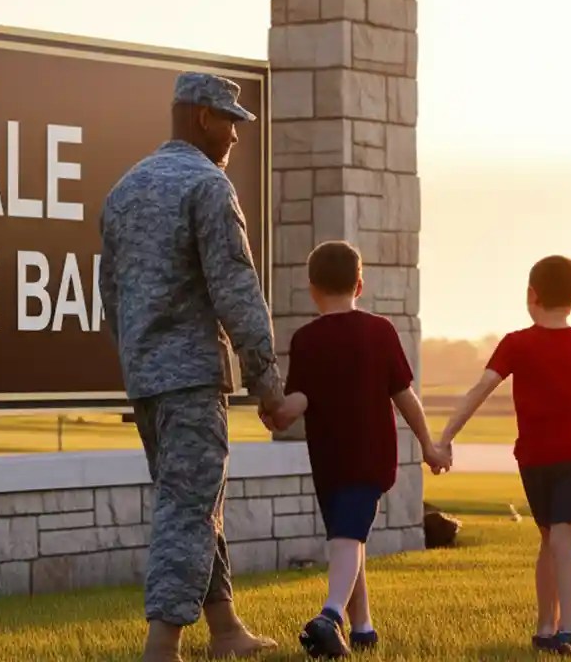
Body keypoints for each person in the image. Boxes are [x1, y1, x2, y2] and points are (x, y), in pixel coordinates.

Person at [98, 71, 297, 662]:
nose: (236, 135)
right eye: (229, 121)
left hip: (147, 379)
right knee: (188, 510)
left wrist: (137, 356)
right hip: (190, 379)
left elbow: (110, 293)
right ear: (201, 118)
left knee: (193, 499)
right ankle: (162, 646)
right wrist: (267, 381)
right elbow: (236, 287)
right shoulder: (208, 186)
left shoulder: (124, 190)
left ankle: (227, 629)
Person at [267, 240, 447, 659]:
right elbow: (405, 397)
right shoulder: (379, 331)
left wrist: (276, 412)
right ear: (360, 285)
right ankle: (361, 627)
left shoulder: (306, 339)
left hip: (330, 460)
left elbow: (299, 401)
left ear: (312, 288)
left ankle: (330, 616)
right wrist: (428, 445)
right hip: (370, 457)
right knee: (350, 540)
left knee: (346, 538)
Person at [434, 255, 571, 657]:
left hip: (533, 459)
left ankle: (547, 628)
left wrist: (446, 437)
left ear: (532, 295)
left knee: (552, 538)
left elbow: (480, 389)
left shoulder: (517, 343)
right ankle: (566, 631)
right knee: (562, 540)